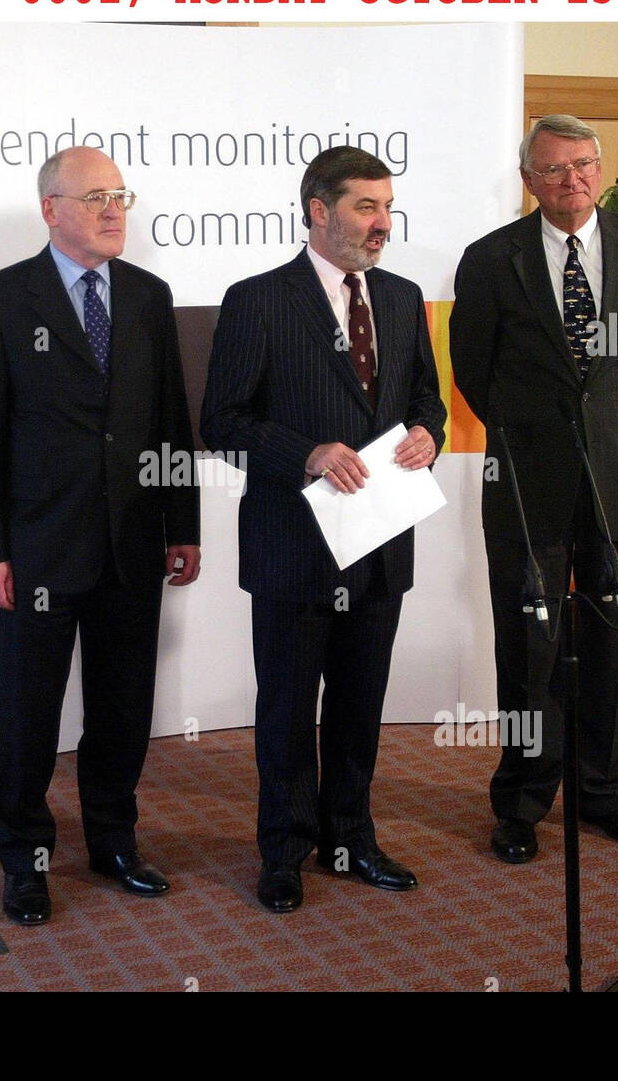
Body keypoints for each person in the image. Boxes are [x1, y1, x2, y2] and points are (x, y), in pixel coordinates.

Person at [0, 146, 201, 926]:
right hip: (37, 550)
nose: (113, 209)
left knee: (123, 709)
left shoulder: (148, 296)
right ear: (50, 209)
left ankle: (114, 842)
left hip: (133, 542)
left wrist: (183, 524)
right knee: (27, 718)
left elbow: (170, 422)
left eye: (120, 195)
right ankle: (25, 860)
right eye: (95, 196)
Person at [201, 147, 447, 913]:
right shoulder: (258, 300)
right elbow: (222, 421)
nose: (382, 224)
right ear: (318, 210)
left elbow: (427, 401)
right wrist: (305, 453)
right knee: (285, 708)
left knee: (357, 704)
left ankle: (351, 838)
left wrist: (427, 435)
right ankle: (283, 850)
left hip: (381, 540)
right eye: (366, 208)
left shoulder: (404, 299)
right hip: (292, 547)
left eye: (387, 207)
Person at [449, 114, 618, 864]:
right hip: (525, 480)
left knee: (611, 638)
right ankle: (521, 799)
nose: (570, 178)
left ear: (600, 168)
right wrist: (536, 434)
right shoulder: (490, 260)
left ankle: (603, 792)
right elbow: (474, 371)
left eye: (582, 164)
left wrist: (602, 427)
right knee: (529, 644)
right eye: (552, 169)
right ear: (528, 180)